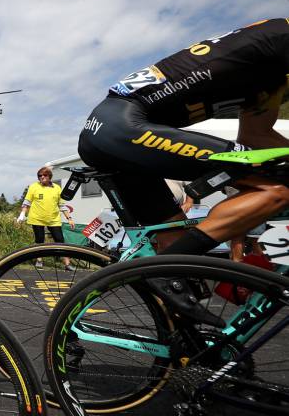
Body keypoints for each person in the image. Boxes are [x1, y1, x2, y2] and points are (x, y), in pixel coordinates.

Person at [78, 18, 289, 257]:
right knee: (276, 191)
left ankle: (161, 272)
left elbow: (256, 137)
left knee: (172, 242)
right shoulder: (281, 35)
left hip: (112, 133)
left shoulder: (271, 77)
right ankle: (169, 266)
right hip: (121, 127)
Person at [17, 166, 75, 269]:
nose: (42, 177)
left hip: (53, 219)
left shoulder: (57, 188)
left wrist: (69, 219)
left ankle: (67, 264)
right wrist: (22, 214)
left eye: (44, 175)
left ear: (49, 176)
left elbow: (62, 205)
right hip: (37, 218)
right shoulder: (33, 186)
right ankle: (39, 260)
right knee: (39, 240)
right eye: (40, 175)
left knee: (60, 240)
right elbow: (27, 202)